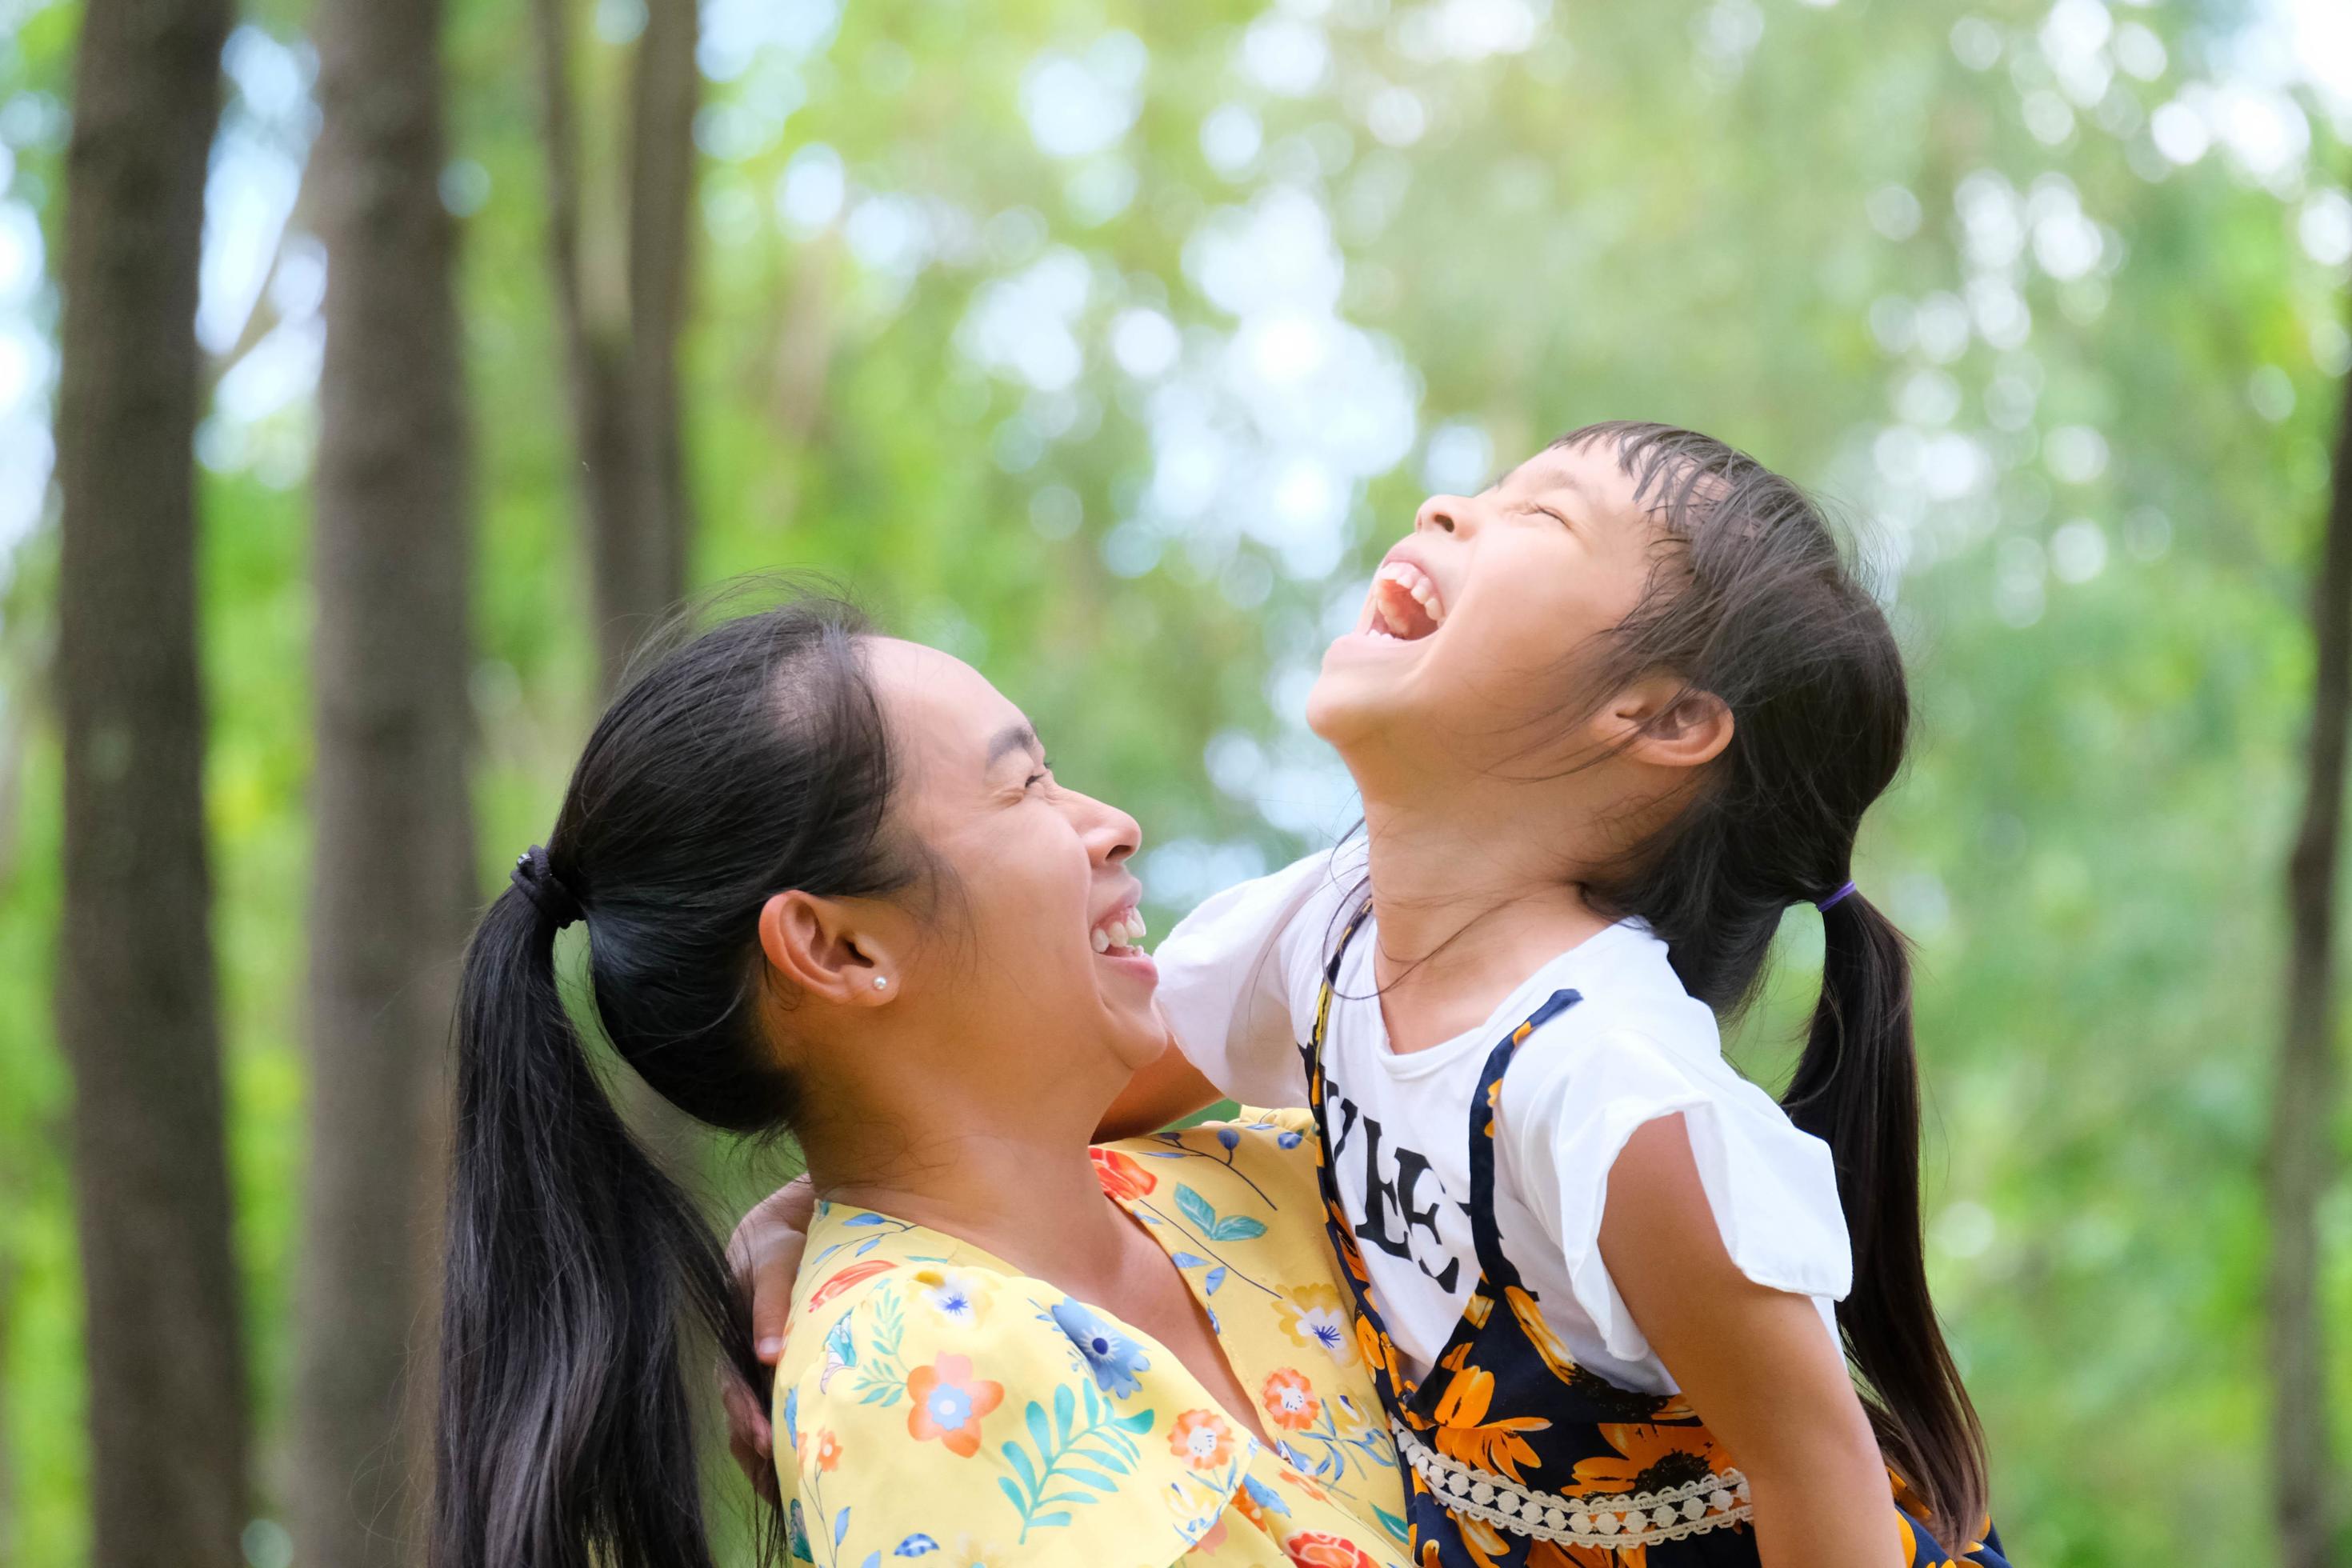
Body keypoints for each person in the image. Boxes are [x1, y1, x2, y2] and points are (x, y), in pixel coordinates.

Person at [730, 426, 2010, 1568]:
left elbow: (1822, 1481)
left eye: (1541, 515)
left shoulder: (1618, 1098)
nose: (1452, 507)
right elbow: (1049, 1100)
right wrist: (834, 1207)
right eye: (1486, 490)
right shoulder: (1328, 927)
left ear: (1662, 716)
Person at [430, 595, 1413, 1568]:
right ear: (841, 947)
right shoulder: (909, 1381)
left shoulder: (1266, 1170)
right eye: (1024, 787)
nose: (1114, 827)